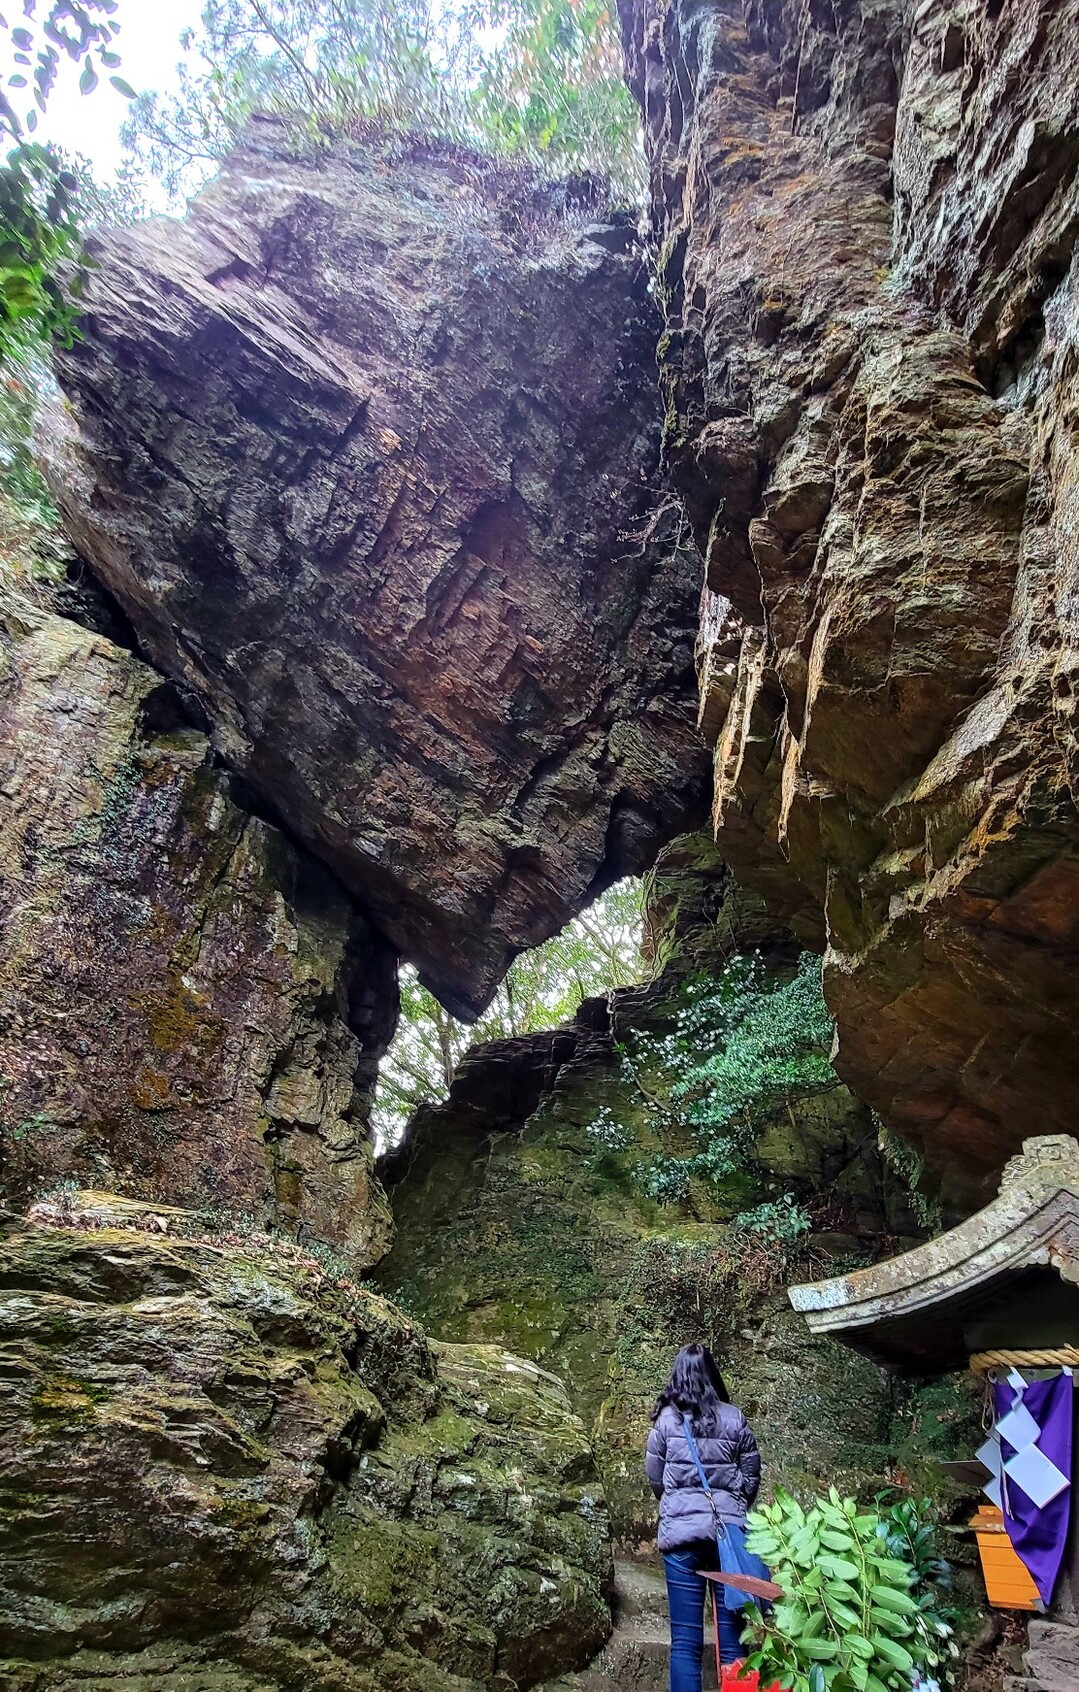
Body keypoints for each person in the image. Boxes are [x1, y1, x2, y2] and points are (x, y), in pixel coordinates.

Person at [646, 1343, 762, 1692]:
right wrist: (733, 1505)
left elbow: (655, 1477)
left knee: (685, 1641)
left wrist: (679, 1506)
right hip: (727, 1536)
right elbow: (751, 1475)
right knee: (732, 1640)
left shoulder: (665, 1421)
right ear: (713, 1374)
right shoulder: (734, 1417)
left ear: (677, 1376)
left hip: (681, 1539)